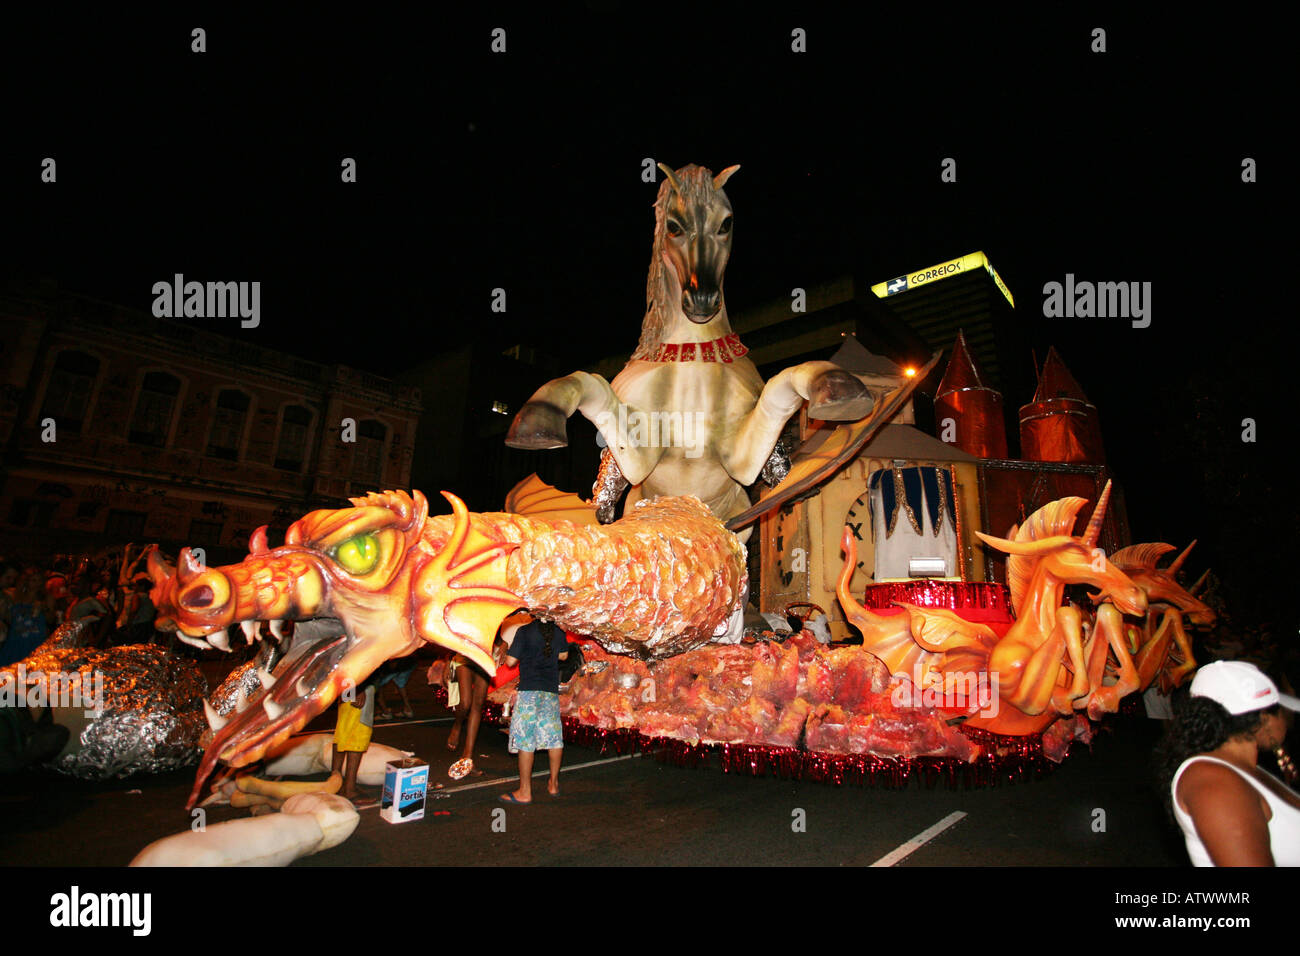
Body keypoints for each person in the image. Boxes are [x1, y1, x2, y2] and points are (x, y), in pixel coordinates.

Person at [1158, 660, 1300, 866]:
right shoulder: (1214, 780)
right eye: (1283, 711)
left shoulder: (1241, 770)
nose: (1290, 719)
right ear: (1264, 718)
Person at [500, 613, 568, 804]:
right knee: (554, 737)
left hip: (529, 691)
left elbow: (511, 662)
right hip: (550, 691)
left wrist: (508, 649)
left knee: (525, 739)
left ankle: (525, 791)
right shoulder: (557, 632)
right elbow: (564, 655)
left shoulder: (525, 631)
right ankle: (553, 784)